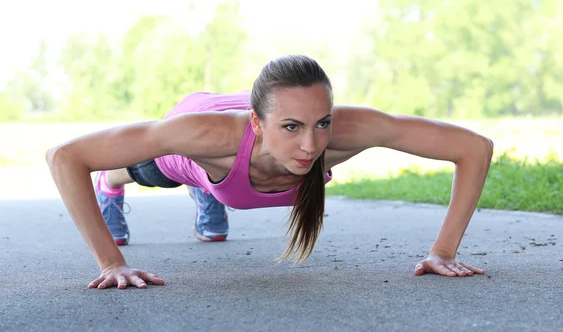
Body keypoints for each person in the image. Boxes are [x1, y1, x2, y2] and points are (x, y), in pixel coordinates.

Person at [46, 54, 494, 290]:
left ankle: (210, 190)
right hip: (202, 144)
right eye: (294, 129)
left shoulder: (347, 130)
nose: (311, 146)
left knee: (233, 172)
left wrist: (444, 252)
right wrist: (112, 262)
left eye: (323, 123)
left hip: (249, 130)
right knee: (148, 170)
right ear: (259, 123)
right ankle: (120, 187)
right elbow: (65, 156)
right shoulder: (203, 135)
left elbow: (474, 148)